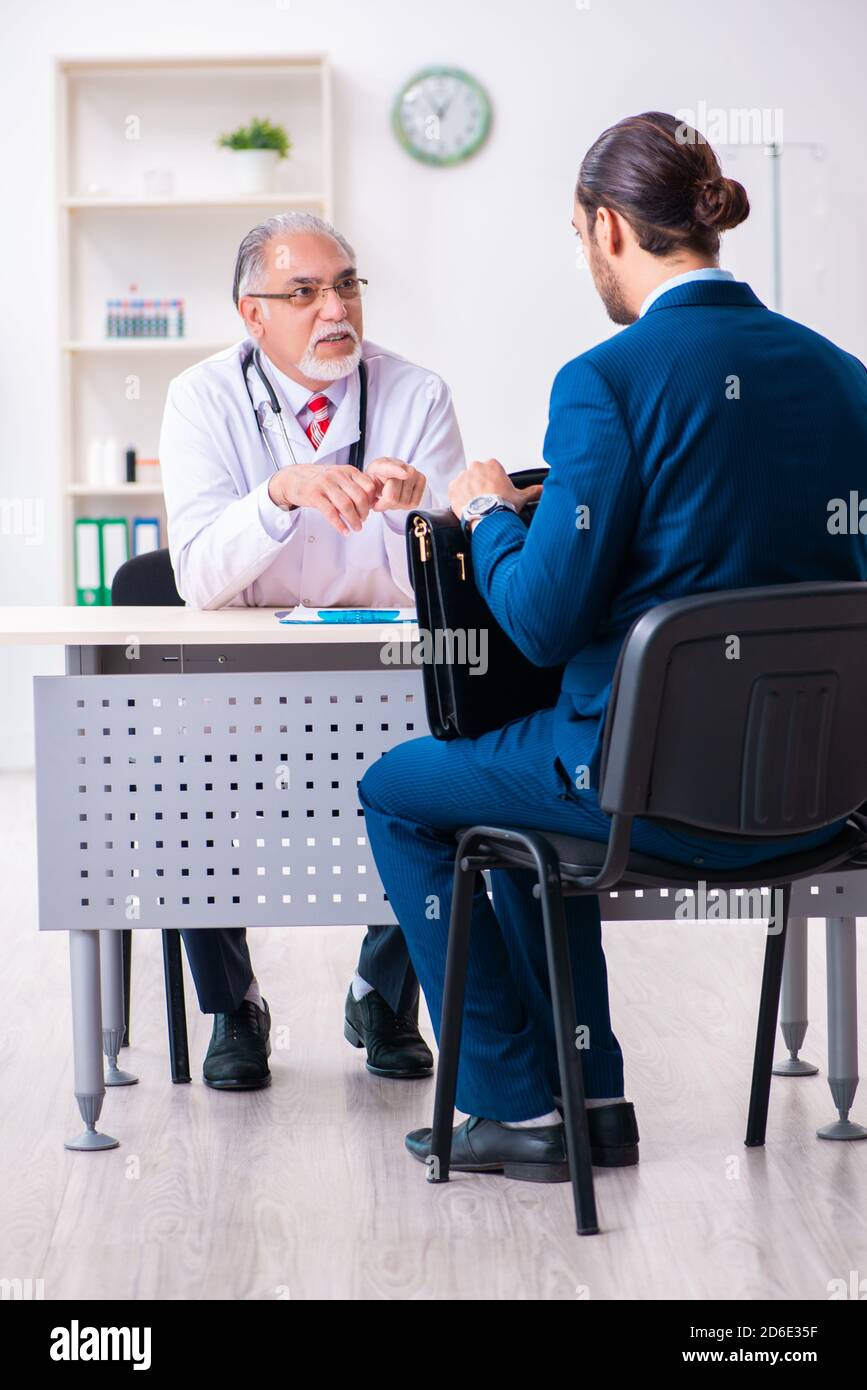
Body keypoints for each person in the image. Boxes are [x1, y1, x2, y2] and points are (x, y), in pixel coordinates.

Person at [359, 111, 867, 1182]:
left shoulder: (607, 380)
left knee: (402, 788)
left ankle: (517, 1107)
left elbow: (541, 619)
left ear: (606, 229)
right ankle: (589, 1100)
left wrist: (494, 512)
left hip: (636, 794)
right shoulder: (844, 377)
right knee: (507, 791)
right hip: (817, 803)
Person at [159, 212, 465, 1090]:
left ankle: (381, 992)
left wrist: (418, 519)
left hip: (387, 673)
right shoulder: (202, 399)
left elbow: (447, 579)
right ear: (252, 314)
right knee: (173, 791)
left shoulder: (414, 393)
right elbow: (197, 579)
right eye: (303, 292)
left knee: (448, 773)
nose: (334, 309)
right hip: (240, 678)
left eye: (345, 285)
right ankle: (233, 1006)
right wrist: (278, 494)